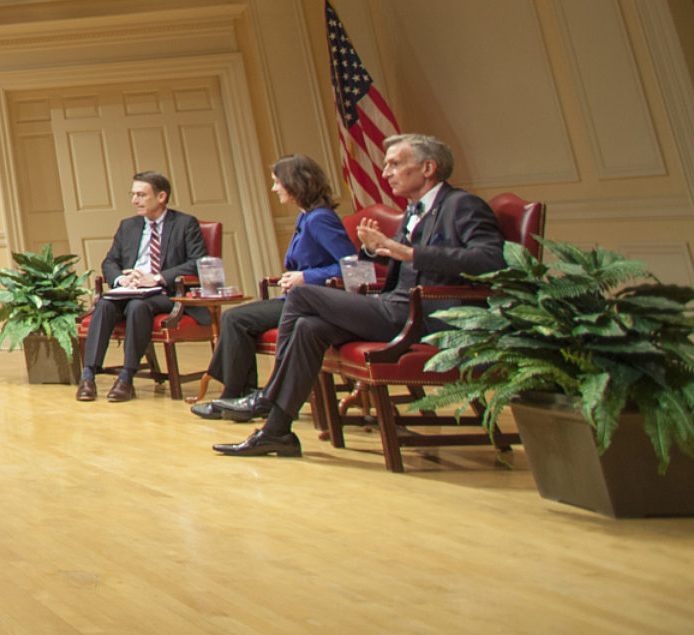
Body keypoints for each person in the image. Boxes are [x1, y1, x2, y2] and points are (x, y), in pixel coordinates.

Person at [217, 134, 504, 458]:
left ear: (427, 168)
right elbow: (390, 260)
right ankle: (277, 432)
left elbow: (492, 260)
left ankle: (269, 395)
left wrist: (409, 252)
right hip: (395, 305)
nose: (386, 172)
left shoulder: (461, 205)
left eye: (395, 164)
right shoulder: (414, 210)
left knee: (302, 296)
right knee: (310, 328)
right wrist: (374, 249)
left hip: (429, 313)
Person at [192, 155, 363, 421]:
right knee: (236, 318)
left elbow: (352, 266)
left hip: (319, 303)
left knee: (236, 318)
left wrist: (307, 277)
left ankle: (233, 396)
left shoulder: (320, 219)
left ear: (295, 183)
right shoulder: (306, 217)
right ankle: (238, 395)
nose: (274, 188)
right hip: (300, 299)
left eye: (276, 182)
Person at [78, 171, 208, 403]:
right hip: (130, 289)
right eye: (133, 194)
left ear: (161, 197)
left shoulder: (185, 224)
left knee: (139, 307)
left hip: (167, 293)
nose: (134, 200)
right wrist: (120, 279)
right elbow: (110, 262)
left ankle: (127, 378)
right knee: (105, 305)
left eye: (141, 195)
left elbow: (197, 263)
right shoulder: (128, 226)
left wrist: (157, 278)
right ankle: (88, 375)